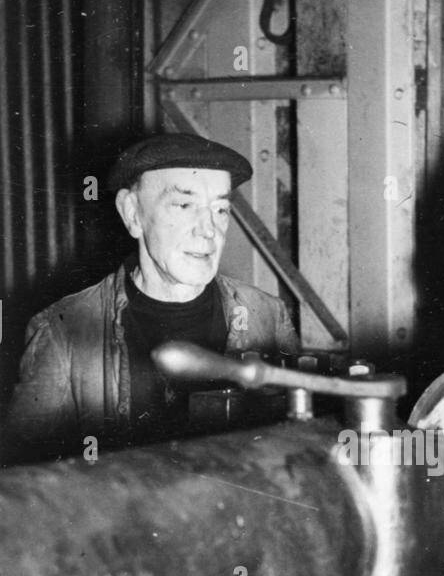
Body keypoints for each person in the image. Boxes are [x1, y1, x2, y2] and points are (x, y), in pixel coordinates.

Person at [5, 132, 298, 458]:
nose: (208, 230)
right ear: (132, 214)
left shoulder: (267, 316)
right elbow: (27, 483)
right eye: (185, 205)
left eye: (220, 209)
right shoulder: (64, 331)